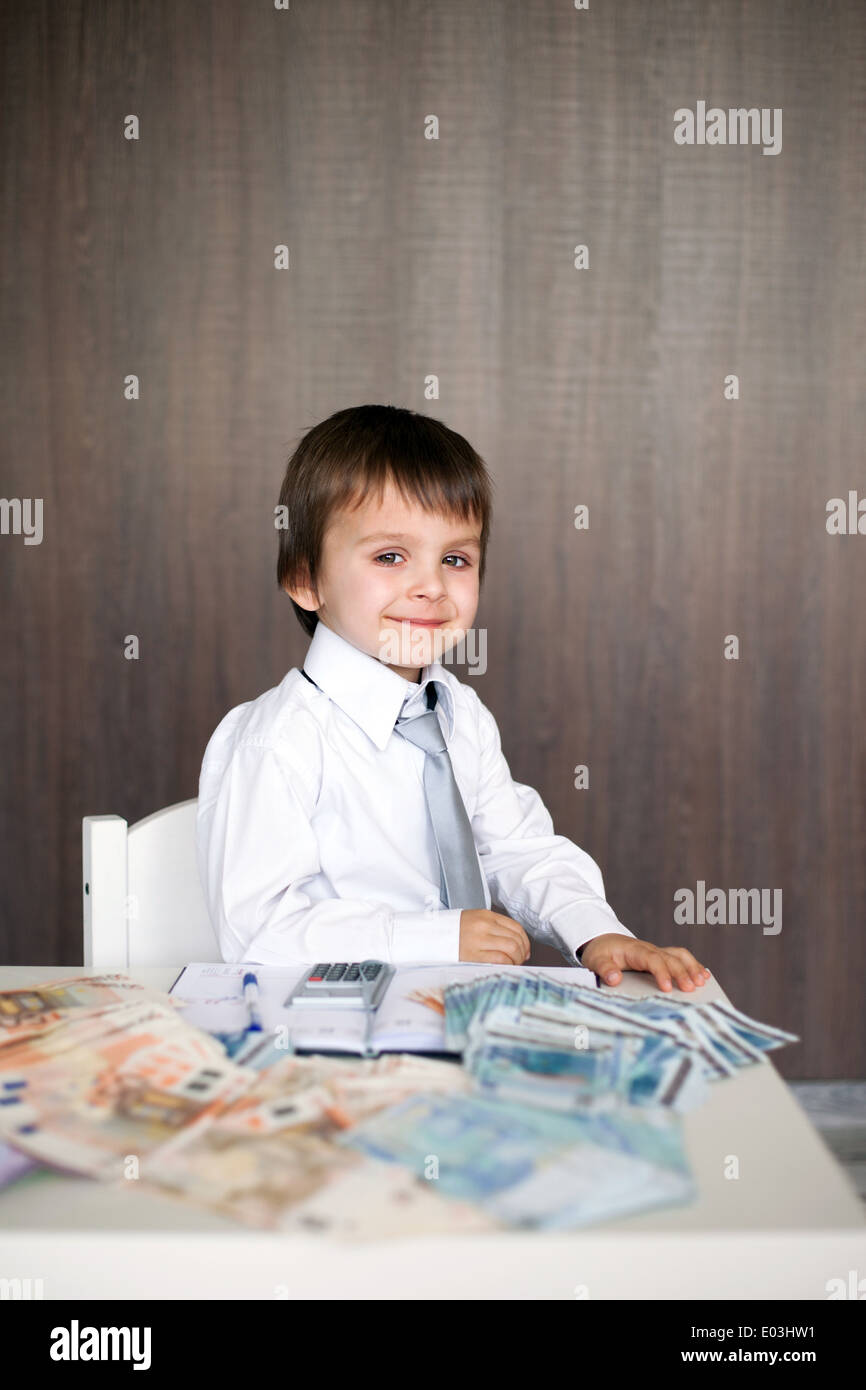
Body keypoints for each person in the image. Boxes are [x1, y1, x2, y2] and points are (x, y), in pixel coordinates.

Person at [196, 404, 710, 993]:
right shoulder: (277, 739)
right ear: (306, 580)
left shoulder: (458, 713)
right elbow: (259, 931)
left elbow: (516, 848)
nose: (431, 586)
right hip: (332, 1034)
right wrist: (436, 936)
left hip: (461, 1016)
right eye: (391, 556)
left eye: (455, 559)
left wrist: (594, 931)